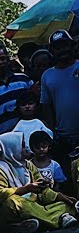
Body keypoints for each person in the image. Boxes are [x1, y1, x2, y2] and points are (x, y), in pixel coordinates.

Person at [0, 131, 77, 233]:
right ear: (11, 148)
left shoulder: (28, 164)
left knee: (66, 204)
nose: (26, 149)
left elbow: (42, 190)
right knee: (14, 202)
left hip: (34, 207)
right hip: (8, 211)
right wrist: (25, 189)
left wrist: (58, 196)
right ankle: (57, 220)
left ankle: (29, 225)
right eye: (22, 145)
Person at [40, 30, 79, 164]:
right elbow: (46, 106)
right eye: (58, 47)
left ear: (72, 46)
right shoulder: (47, 75)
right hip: (64, 137)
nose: (62, 50)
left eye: (65, 45)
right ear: (52, 50)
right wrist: (53, 133)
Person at [0, 43, 34, 137]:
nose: (0, 62)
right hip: (5, 137)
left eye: (3, 58)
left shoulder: (24, 80)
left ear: (8, 60)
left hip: (30, 133)